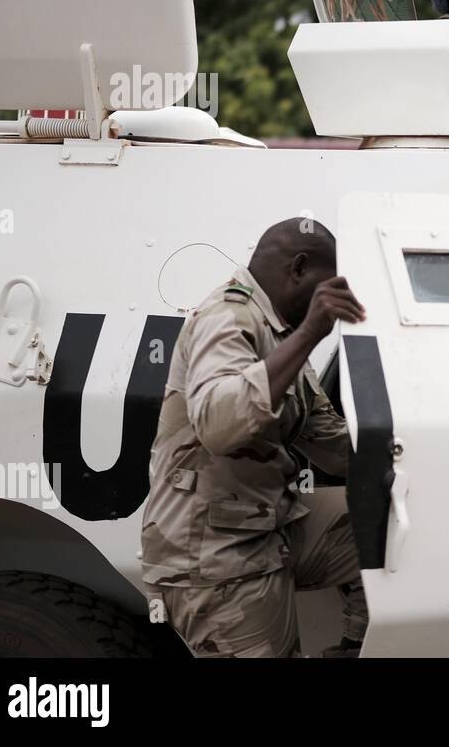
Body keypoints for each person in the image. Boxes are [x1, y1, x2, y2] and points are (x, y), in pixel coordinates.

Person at [139, 217, 369, 658]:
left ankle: (355, 646)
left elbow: (334, 446)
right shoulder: (227, 318)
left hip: (266, 524)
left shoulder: (276, 332)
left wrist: (410, 466)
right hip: (211, 552)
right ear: (299, 268)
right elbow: (219, 426)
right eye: (330, 284)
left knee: (386, 520)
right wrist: (307, 336)